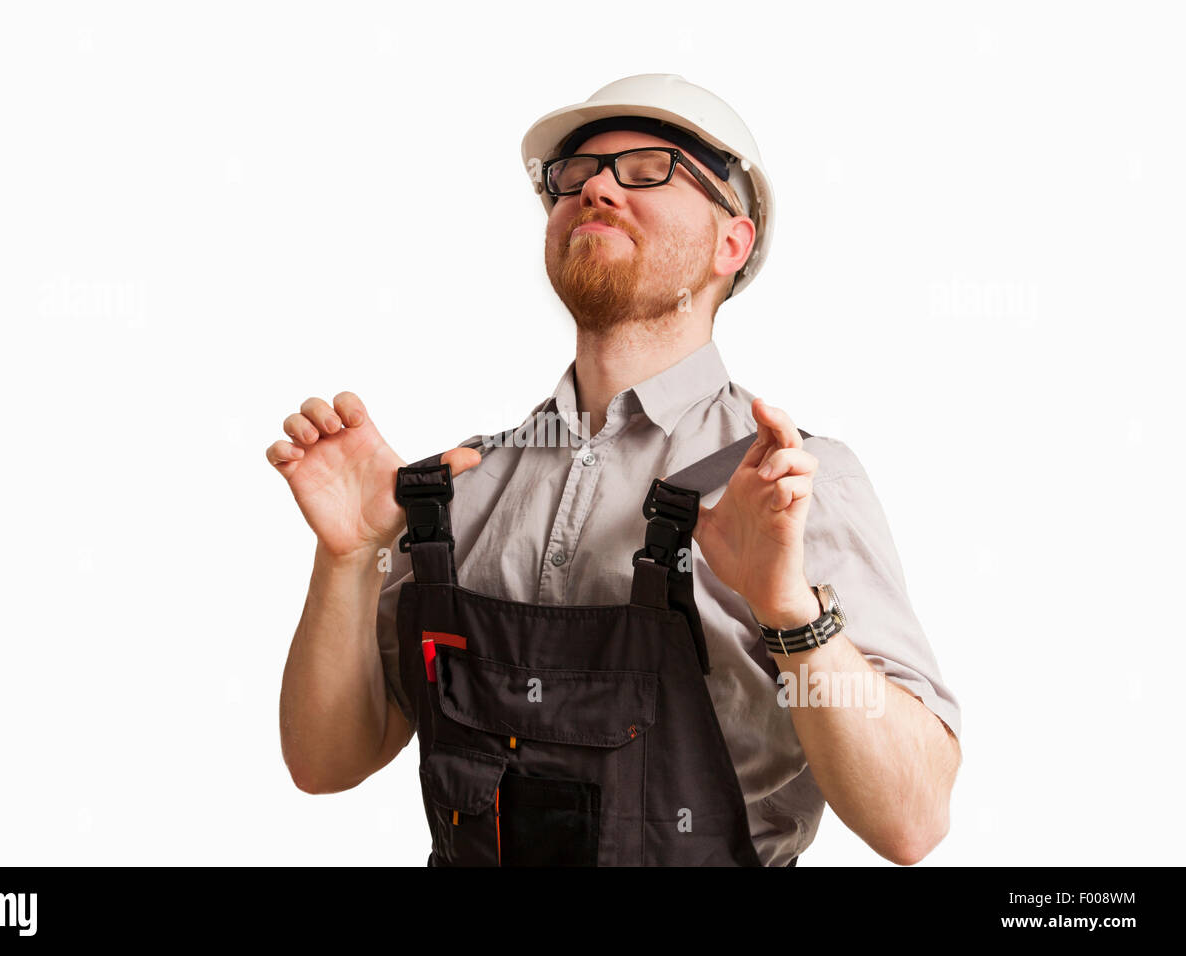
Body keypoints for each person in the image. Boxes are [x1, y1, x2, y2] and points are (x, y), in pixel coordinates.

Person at [268, 74, 962, 866]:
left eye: (647, 170)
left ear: (729, 245)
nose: (594, 185)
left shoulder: (790, 485)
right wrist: (348, 560)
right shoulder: (459, 489)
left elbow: (912, 820)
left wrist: (790, 612)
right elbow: (326, 764)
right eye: (573, 175)